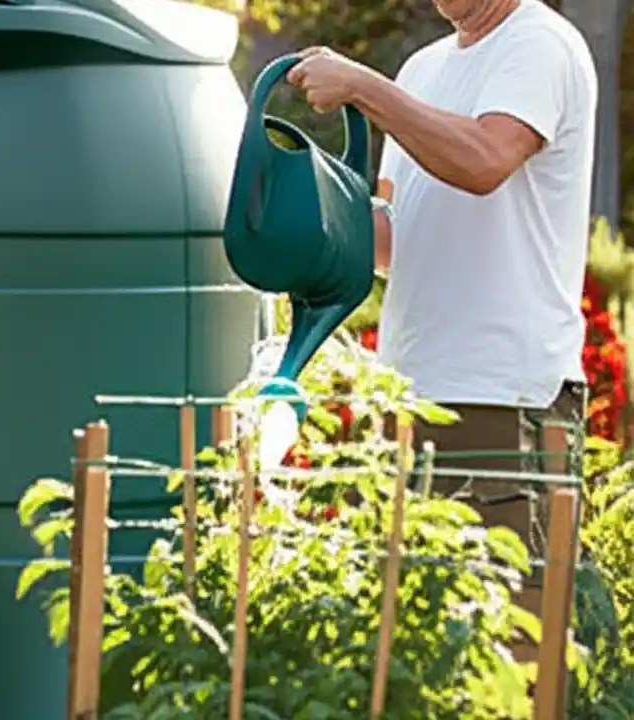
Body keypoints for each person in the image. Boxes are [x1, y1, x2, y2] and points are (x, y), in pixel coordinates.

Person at [283, 0, 598, 652]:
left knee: (509, 657)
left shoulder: (538, 43)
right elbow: (398, 239)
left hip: (502, 403)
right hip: (410, 399)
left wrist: (365, 88)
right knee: (419, 658)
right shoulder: (423, 70)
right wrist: (293, 217)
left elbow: (485, 159)